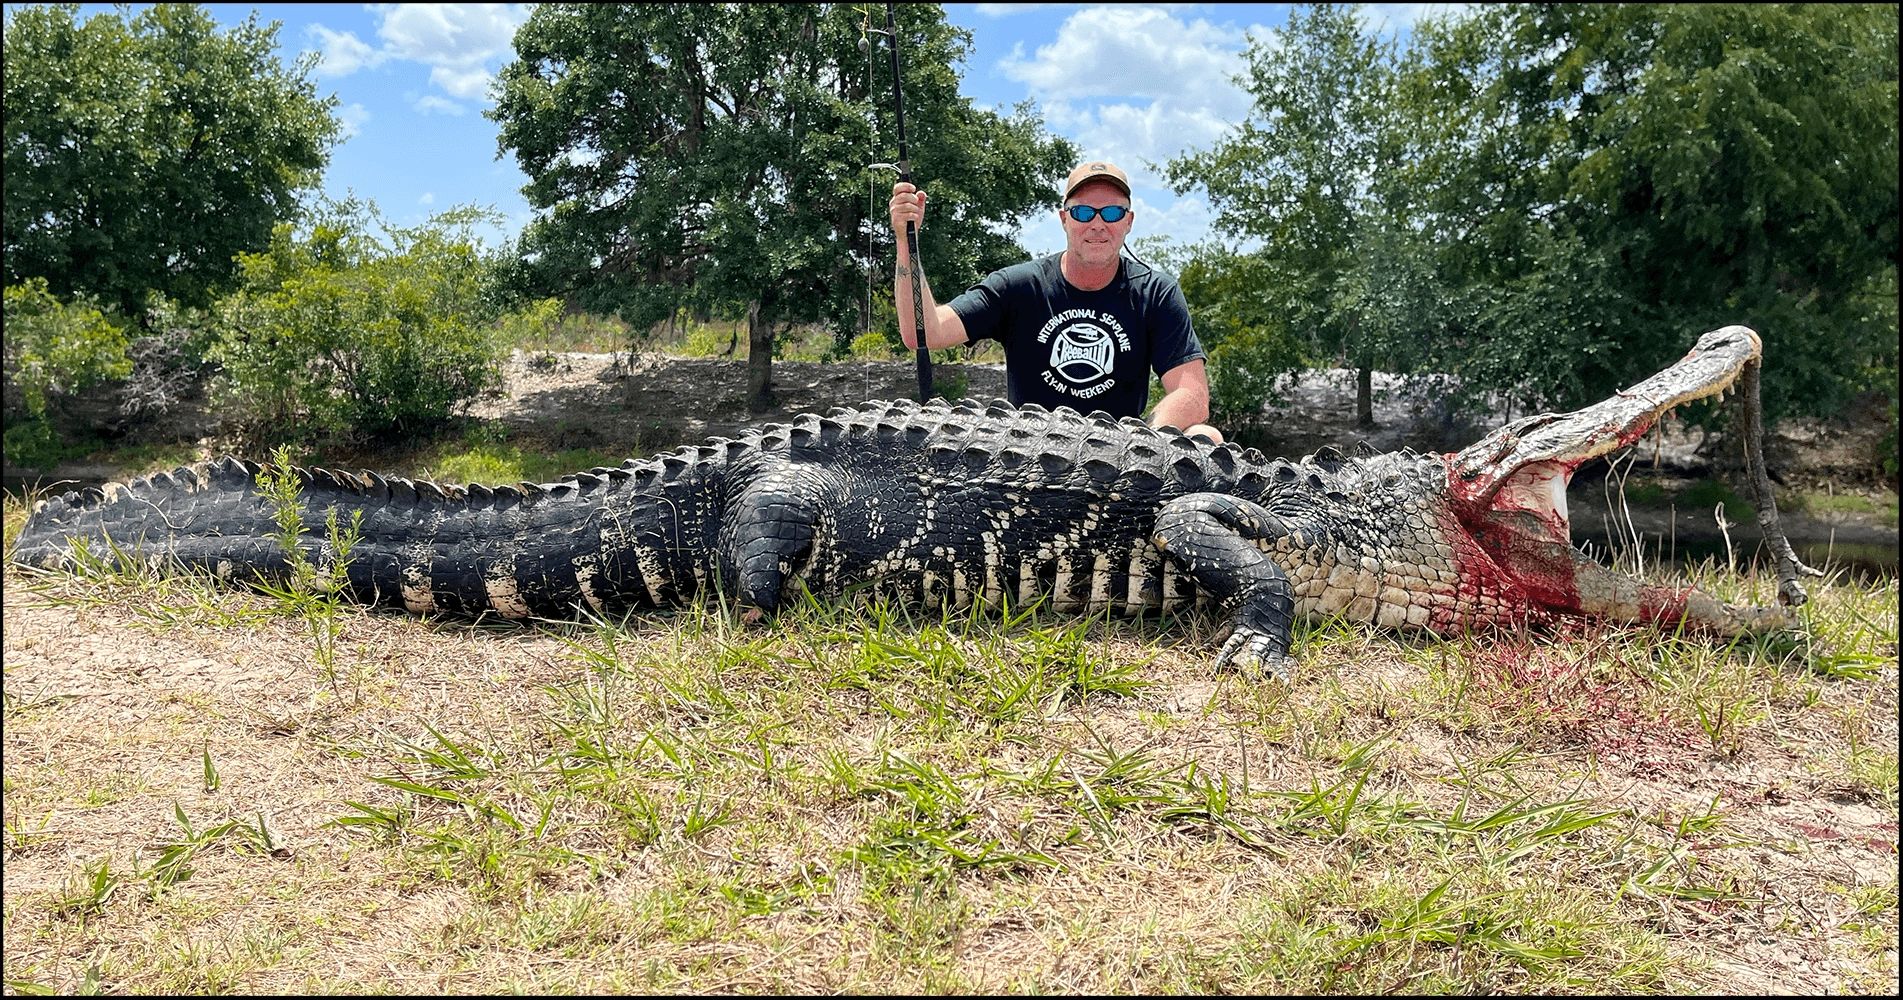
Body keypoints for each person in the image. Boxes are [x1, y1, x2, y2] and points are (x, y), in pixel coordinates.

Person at [888, 160, 1222, 443]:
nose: (1097, 224)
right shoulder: (1019, 285)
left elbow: (1191, 395)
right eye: (1083, 212)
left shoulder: (1156, 292)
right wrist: (906, 241)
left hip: (1122, 458)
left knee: (1205, 436)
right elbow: (923, 333)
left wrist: (1142, 442)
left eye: (1111, 212)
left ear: (1128, 222)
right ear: (1065, 219)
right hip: (1028, 453)